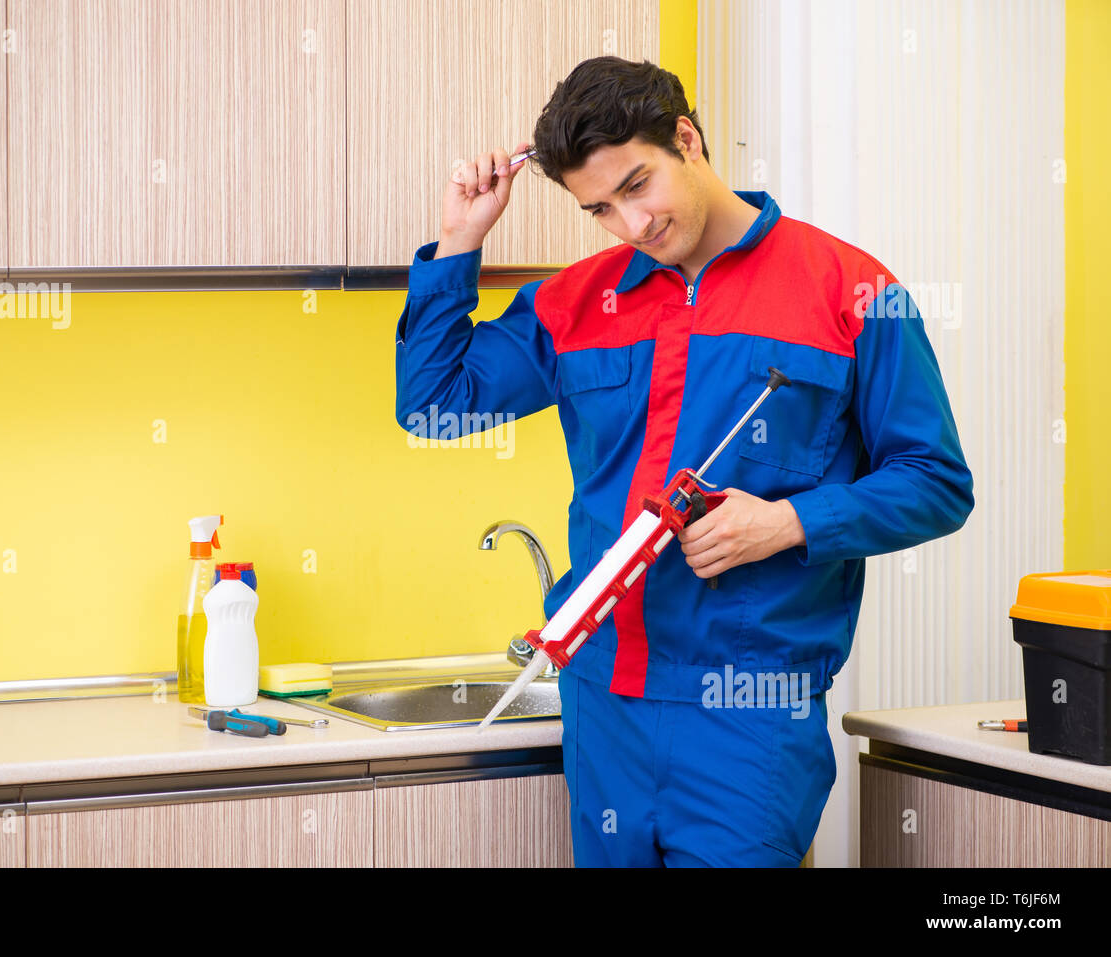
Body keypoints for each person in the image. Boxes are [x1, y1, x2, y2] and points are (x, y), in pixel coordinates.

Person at [393, 56, 973, 867]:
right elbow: (435, 406)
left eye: (638, 186)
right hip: (604, 706)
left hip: (750, 715)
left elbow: (937, 481)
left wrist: (786, 522)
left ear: (688, 140)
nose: (631, 225)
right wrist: (460, 240)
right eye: (600, 208)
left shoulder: (853, 289)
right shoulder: (573, 304)